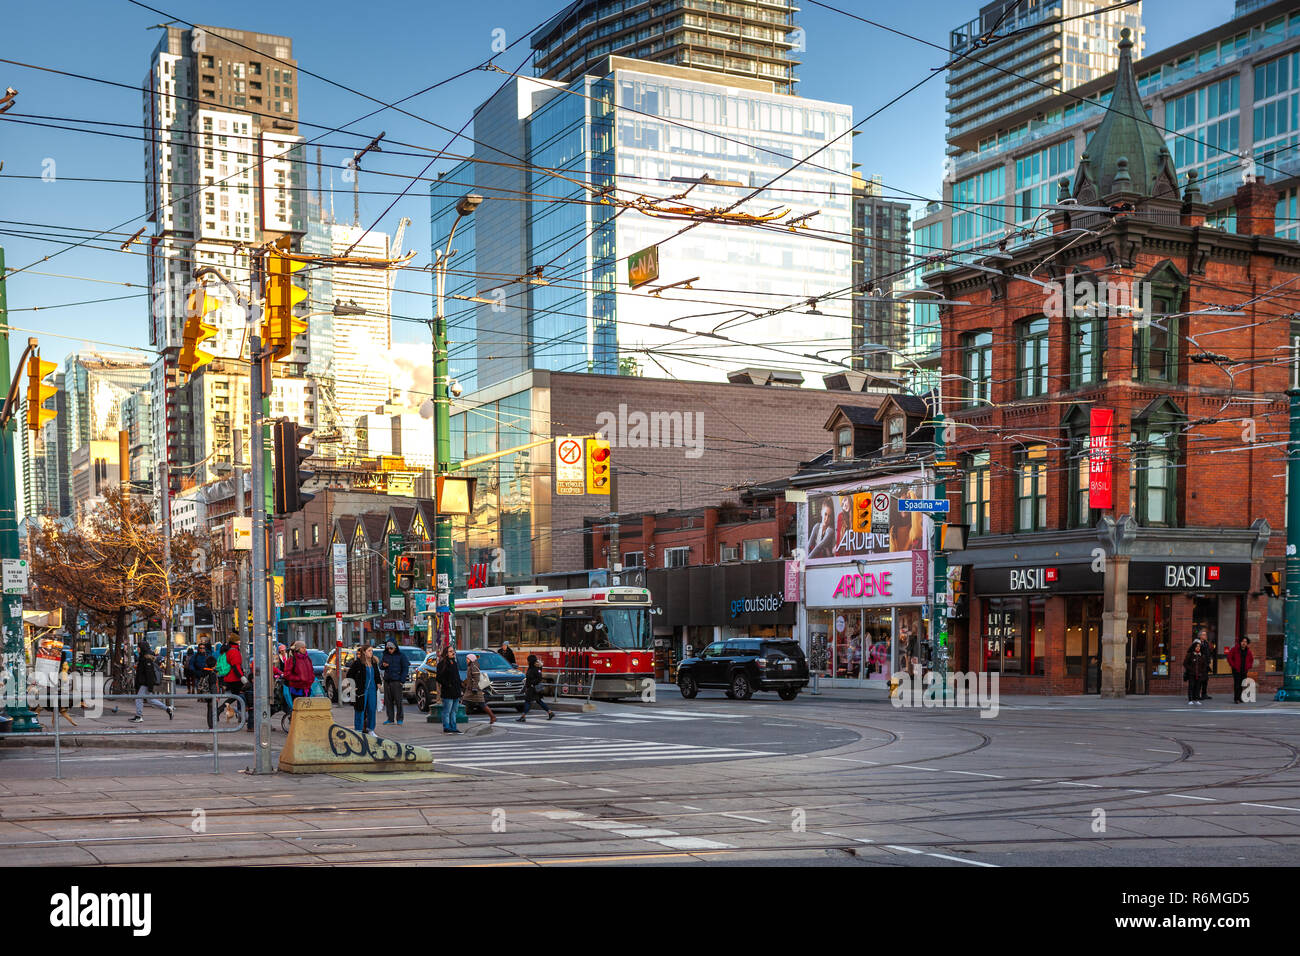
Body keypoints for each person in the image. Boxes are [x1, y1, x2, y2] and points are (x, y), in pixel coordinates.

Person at [131, 641, 173, 722]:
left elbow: (149, 674)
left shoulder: (147, 659)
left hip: (145, 683)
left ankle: (139, 716)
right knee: (151, 700)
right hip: (144, 683)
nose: (137, 649)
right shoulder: (143, 657)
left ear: (142, 648)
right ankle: (168, 709)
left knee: (138, 699)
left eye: (138, 647)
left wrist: (150, 686)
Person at [345, 644, 382, 734]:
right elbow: (349, 675)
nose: (371, 652)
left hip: (372, 690)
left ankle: (371, 729)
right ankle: (358, 730)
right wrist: (354, 686)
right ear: (364, 652)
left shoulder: (373, 662)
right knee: (360, 709)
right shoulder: (358, 663)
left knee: (372, 710)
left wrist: (379, 683)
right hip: (361, 690)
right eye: (369, 651)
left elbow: (377, 674)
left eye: (372, 651)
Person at [379, 640, 410, 725]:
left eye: (391, 648)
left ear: (395, 647)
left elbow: (405, 668)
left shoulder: (401, 655)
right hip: (387, 680)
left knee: (398, 701)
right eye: (388, 648)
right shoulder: (385, 655)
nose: (389, 650)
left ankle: (400, 718)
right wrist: (383, 665)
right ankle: (390, 718)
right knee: (388, 701)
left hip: (397, 681)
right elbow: (380, 666)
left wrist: (402, 681)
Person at [435, 643, 463, 735]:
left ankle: (453, 727)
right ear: (446, 653)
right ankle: (446, 727)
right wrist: (448, 685)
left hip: (456, 691)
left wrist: (460, 687)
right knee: (447, 710)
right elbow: (439, 678)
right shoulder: (442, 664)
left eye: (453, 651)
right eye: (451, 651)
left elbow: (457, 677)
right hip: (447, 691)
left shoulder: (454, 663)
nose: (453, 653)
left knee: (454, 711)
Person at [517, 653, 553, 722]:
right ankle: (550, 712)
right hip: (532, 688)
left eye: (528, 660)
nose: (527, 662)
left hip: (533, 688)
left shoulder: (536, 669)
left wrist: (532, 683)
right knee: (539, 701)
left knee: (527, 701)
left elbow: (539, 678)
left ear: (531, 661)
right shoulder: (531, 668)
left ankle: (523, 716)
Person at [463, 653, 497, 725]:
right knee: (464, 703)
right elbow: (470, 677)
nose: (466, 660)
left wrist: (474, 688)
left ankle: (492, 716)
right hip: (470, 689)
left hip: (474, 690)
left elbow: (476, 678)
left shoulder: (474, 666)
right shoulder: (471, 666)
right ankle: (461, 717)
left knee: (482, 704)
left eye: (467, 659)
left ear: (471, 659)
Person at [282, 641, 315, 715]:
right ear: (297, 649)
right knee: (298, 709)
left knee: (306, 710)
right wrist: (299, 678)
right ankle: (295, 723)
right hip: (296, 689)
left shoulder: (308, 659)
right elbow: (287, 674)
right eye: (302, 647)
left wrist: (311, 678)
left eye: (305, 647)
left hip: (307, 688)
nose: (304, 649)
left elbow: (311, 671)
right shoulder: (291, 660)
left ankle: (303, 724)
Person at [1226, 636, 1254, 704]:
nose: (1244, 643)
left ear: (1247, 643)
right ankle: (1236, 699)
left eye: (1245, 642)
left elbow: (1251, 659)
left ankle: (1240, 698)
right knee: (1237, 684)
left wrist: (1248, 667)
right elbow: (1229, 657)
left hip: (1244, 670)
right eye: (1243, 641)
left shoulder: (1248, 651)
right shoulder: (1235, 649)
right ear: (1240, 642)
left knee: (1242, 685)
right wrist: (1233, 665)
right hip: (1236, 670)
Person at [1184, 637, 1208, 705]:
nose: (1198, 648)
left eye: (1199, 646)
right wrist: (1190, 669)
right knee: (1191, 686)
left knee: (1198, 687)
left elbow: (1204, 665)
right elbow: (1185, 664)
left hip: (1199, 674)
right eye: (1197, 646)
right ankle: (1190, 699)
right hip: (1191, 674)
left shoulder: (1202, 656)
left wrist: (1202, 671)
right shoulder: (1190, 655)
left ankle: (1196, 699)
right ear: (1194, 647)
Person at [1199, 630, 1216, 701]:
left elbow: (1208, 652)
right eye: (1203, 635)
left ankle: (1204, 694)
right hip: (1200, 665)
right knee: (1199, 680)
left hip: (1206, 664)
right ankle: (1197, 694)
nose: (1205, 636)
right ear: (1200, 636)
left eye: (1205, 635)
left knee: (1205, 680)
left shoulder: (1206, 643)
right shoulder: (1198, 643)